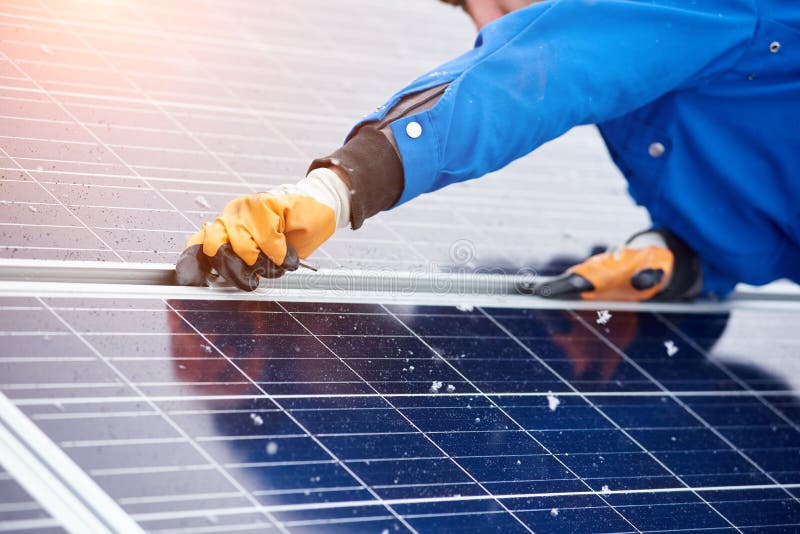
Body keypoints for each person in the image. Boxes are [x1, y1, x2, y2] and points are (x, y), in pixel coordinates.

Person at [175, 0, 800, 301]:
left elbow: (539, 71)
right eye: (479, 15)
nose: (491, 28)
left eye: (498, 5)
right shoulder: (662, 77)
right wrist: (684, 259)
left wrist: (339, 188)